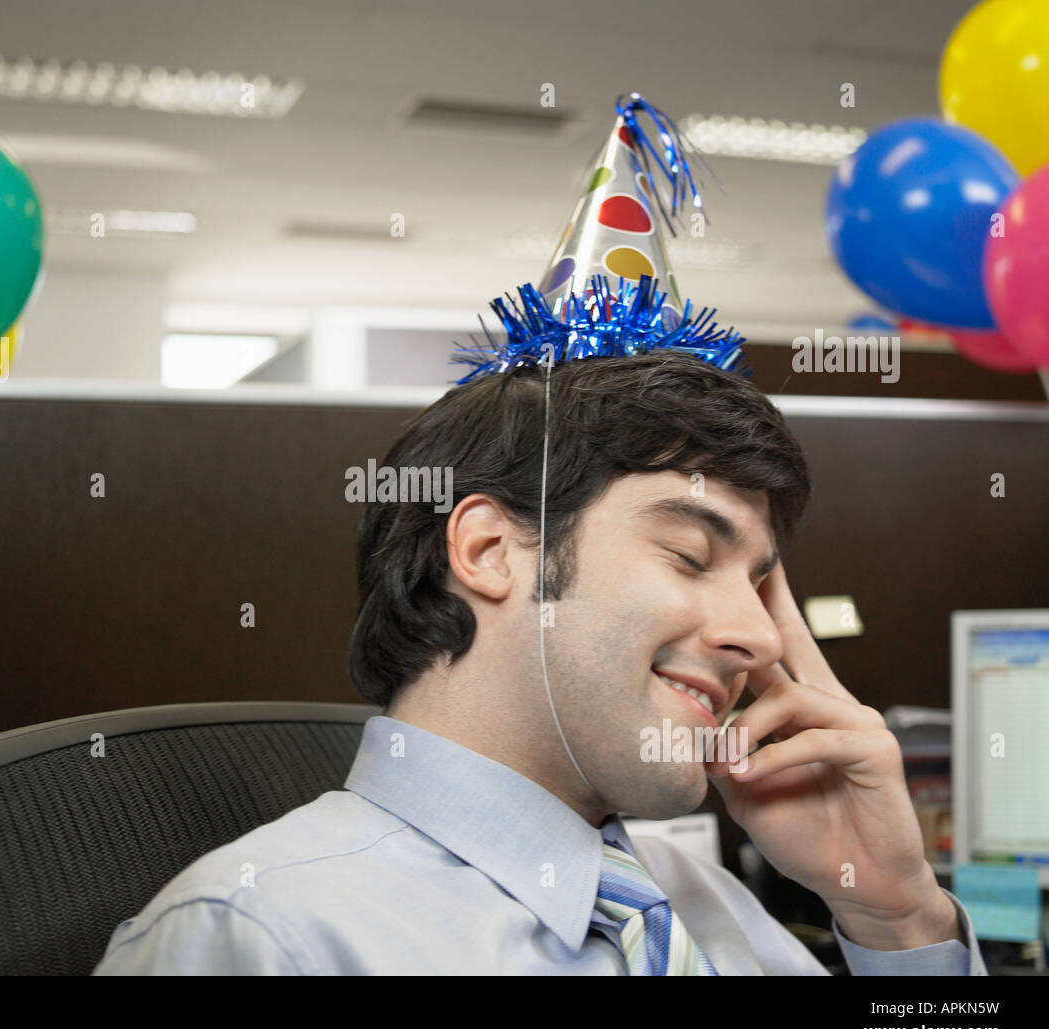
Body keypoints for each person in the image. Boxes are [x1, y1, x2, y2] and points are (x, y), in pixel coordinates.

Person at [93, 94, 986, 975]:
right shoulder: (262, 939)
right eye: (689, 554)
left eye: (757, 584)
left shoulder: (708, 907)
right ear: (489, 550)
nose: (757, 637)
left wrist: (896, 917)